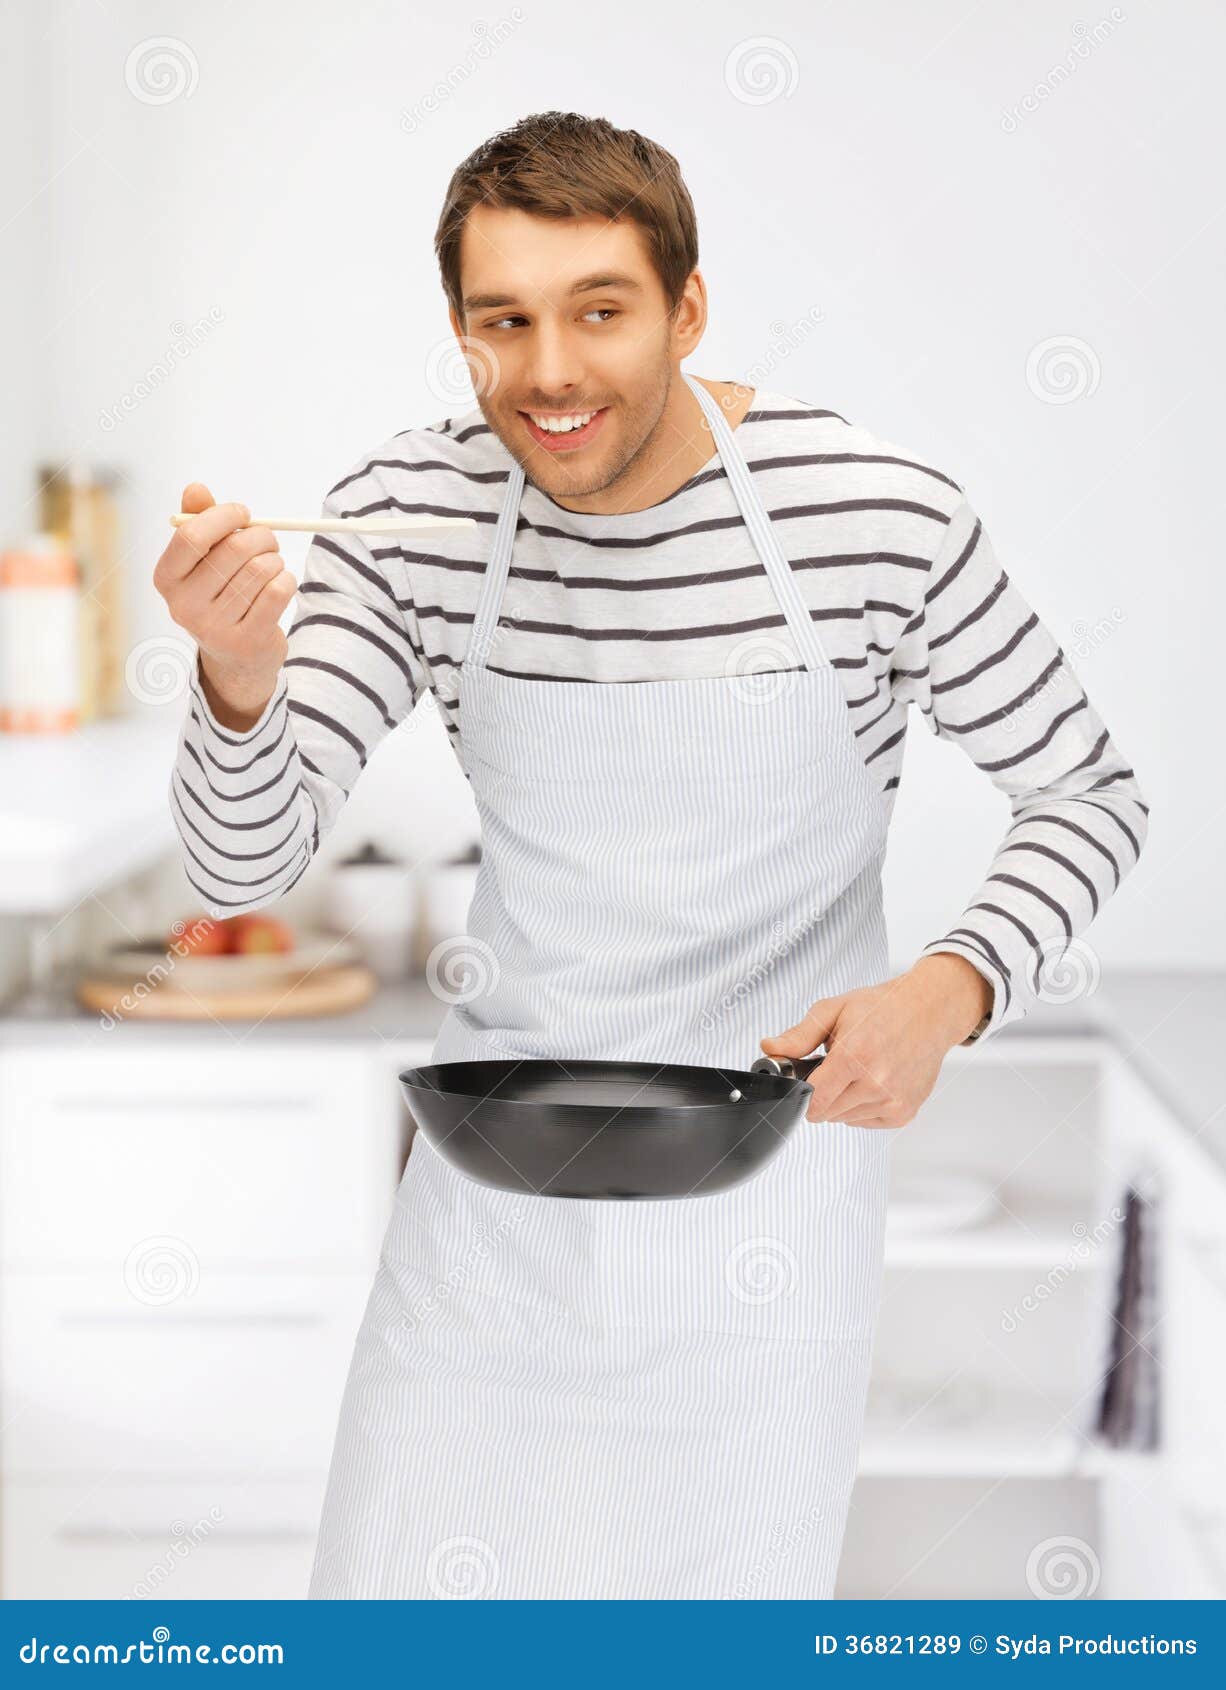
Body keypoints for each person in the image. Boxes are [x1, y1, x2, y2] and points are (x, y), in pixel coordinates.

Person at [155, 111, 1149, 1599]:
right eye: (505, 321)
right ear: (462, 333)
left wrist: (944, 992)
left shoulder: (875, 514)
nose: (550, 370)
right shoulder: (409, 514)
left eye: (600, 311)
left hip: (767, 1224)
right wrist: (237, 673)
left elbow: (1087, 789)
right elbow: (242, 871)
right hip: (492, 1225)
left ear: (688, 310)